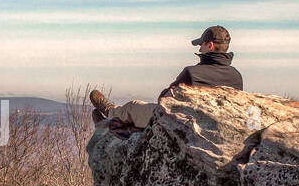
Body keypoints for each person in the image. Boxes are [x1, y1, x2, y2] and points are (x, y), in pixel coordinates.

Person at [89, 25, 243, 129]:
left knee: (133, 106)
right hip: (218, 125)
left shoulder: (192, 73)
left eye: (201, 45)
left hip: (182, 123)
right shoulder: (237, 76)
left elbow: (164, 101)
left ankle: (110, 114)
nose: (199, 48)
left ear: (210, 45)